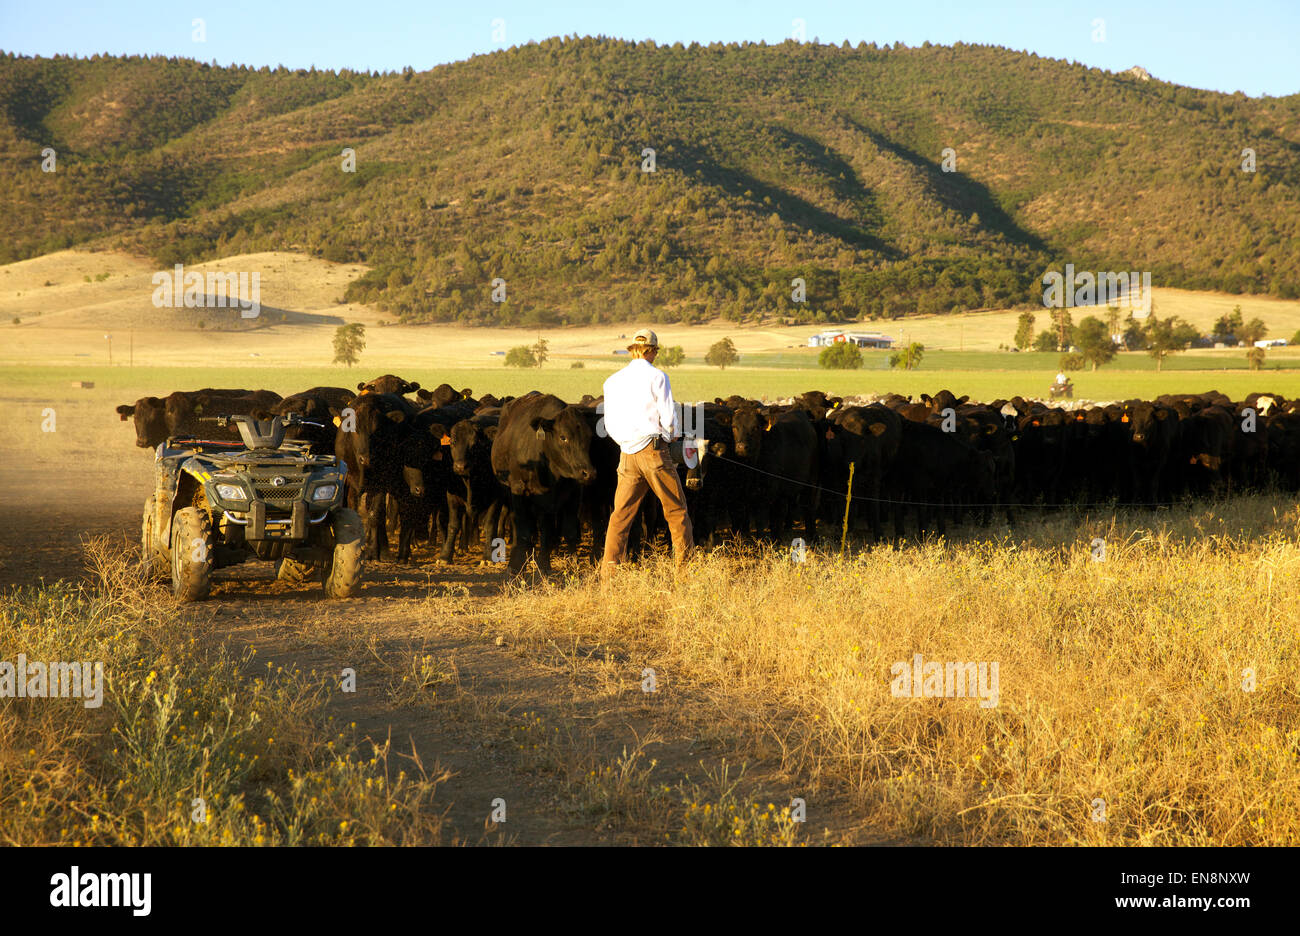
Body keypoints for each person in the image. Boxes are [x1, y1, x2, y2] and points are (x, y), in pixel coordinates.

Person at [599, 328, 694, 579]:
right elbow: (669, 418)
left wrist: (626, 442)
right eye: (654, 352)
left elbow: (609, 424)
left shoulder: (612, 381)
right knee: (676, 510)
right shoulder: (657, 377)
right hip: (654, 452)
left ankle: (608, 578)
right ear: (652, 351)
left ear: (632, 350)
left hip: (626, 454)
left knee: (621, 515)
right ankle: (684, 573)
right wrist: (670, 435)